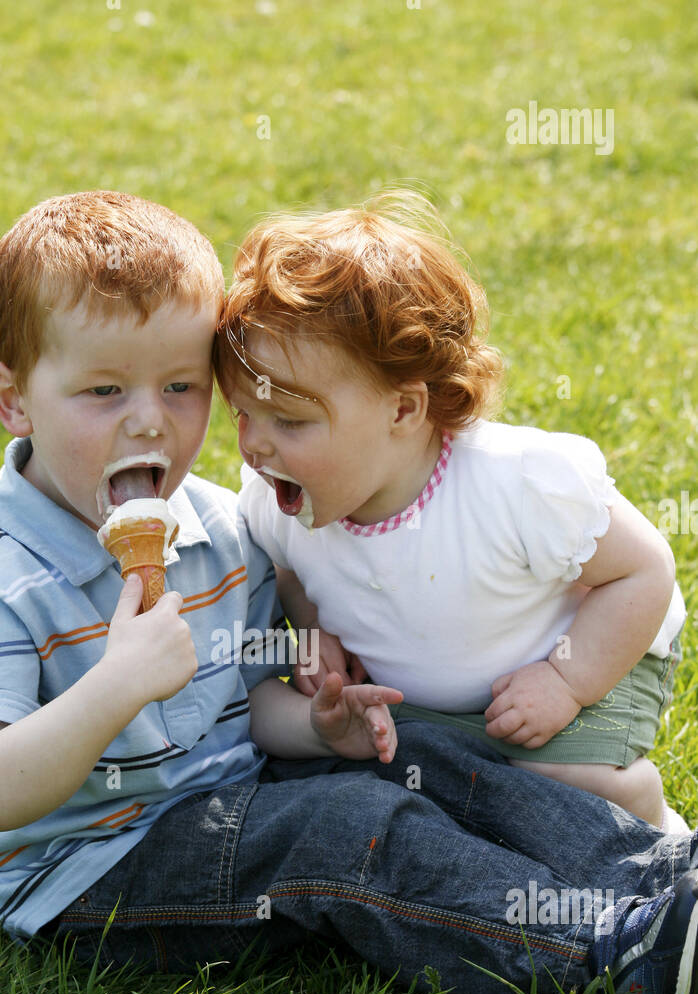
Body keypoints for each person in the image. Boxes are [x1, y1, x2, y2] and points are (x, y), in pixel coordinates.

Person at [0, 190, 698, 994]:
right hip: (100, 869)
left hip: (240, 788)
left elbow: (250, 707)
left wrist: (321, 730)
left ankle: (659, 875)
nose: (150, 423)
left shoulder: (215, 529)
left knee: (429, 751)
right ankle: (613, 956)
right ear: (13, 399)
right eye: (104, 391)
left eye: (181, 386)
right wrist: (116, 685)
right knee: (346, 828)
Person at [214, 192, 688, 833]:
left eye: (290, 421)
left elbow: (645, 572)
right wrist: (316, 632)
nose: (255, 443)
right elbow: (293, 572)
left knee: (564, 782)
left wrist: (566, 682)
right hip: (439, 695)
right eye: (243, 413)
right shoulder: (283, 500)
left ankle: (655, 827)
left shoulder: (513, 484)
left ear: (403, 411)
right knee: (383, 778)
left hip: (594, 653)